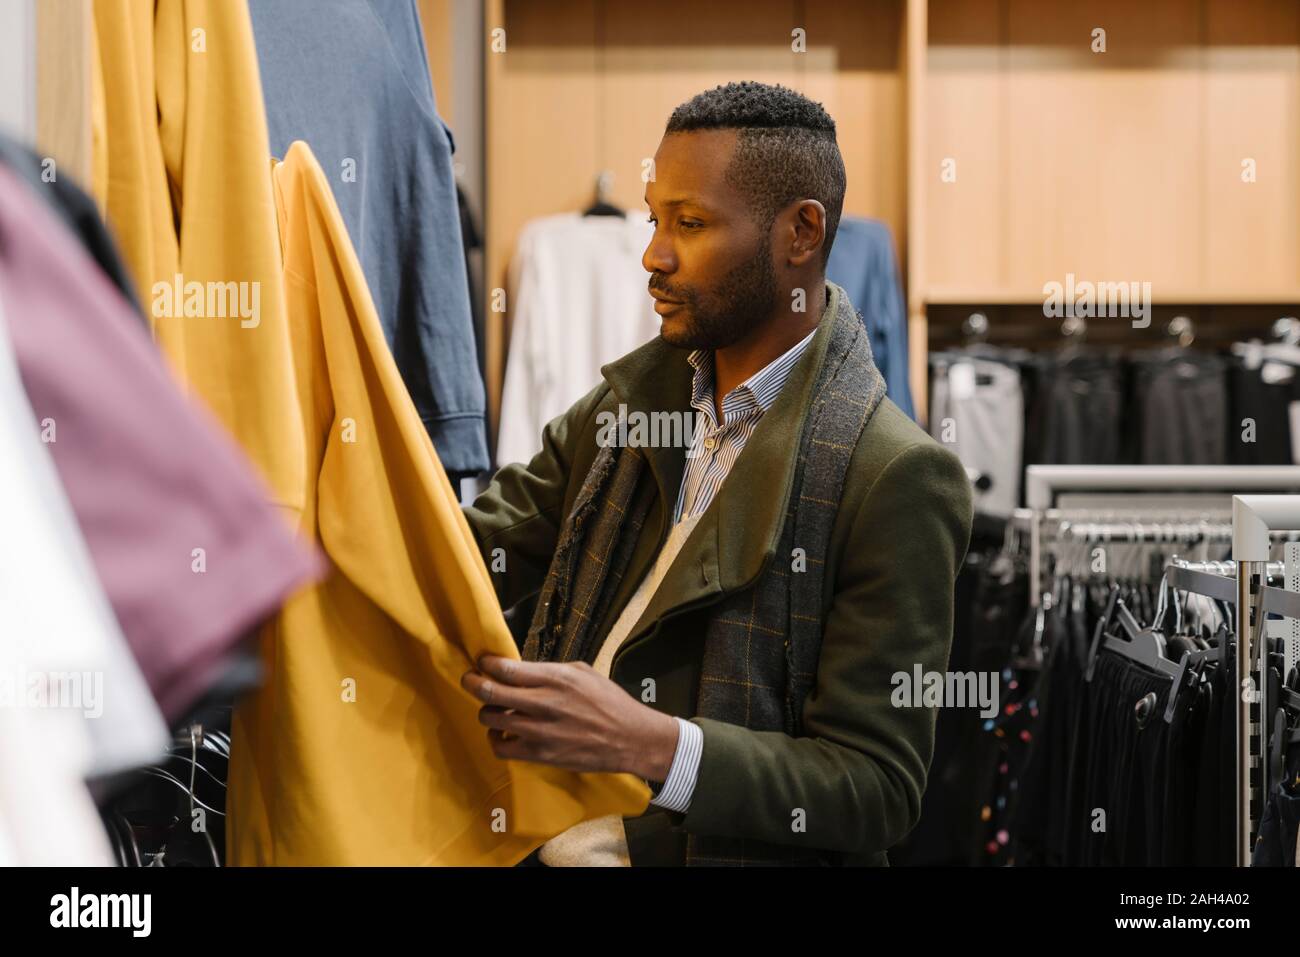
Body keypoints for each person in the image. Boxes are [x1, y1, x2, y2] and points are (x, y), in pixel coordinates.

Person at [461, 80, 974, 866]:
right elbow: (475, 554)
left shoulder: (896, 475)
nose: (653, 255)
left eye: (690, 224)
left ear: (800, 232)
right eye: (654, 218)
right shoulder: (628, 407)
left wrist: (656, 746)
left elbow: (876, 786)